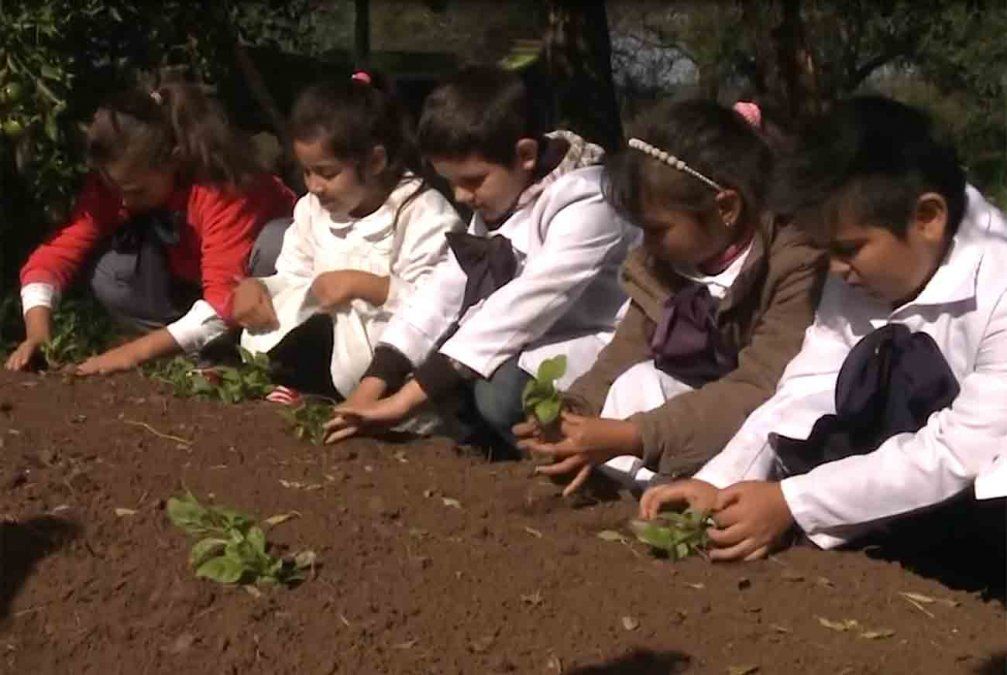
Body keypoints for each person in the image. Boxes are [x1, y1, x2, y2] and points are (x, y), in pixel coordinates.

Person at [641, 96, 1007, 560]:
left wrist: (792, 501)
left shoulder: (1001, 286)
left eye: (850, 249)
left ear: (928, 218)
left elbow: (959, 450)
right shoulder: (862, 267)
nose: (834, 269)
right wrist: (722, 481)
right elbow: (810, 383)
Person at [515, 100, 826, 495]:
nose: (648, 242)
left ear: (726, 207)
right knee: (635, 379)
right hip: (692, 417)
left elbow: (757, 388)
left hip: (769, 432)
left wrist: (633, 436)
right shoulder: (663, 262)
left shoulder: (793, 262)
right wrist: (573, 411)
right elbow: (624, 351)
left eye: (658, 229)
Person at [322, 65, 636, 450]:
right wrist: (374, 383)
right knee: (460, 363)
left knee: (500, 392)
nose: (460, 196)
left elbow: (524, 307)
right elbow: (445, 289)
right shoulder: (507, 191)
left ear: (525, 154)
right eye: (450, 182)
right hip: (536, 336)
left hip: (604, 344)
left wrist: (403, 402)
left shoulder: (589, 200)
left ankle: (563, 460)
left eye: (471, 181)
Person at [6, 83, 295, 374]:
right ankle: (193, 347)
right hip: (196, 283)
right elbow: (55, 254)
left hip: (263, 285)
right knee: (112, 272)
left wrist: (127, 355)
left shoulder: (224, 187)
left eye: (136, 192)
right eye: (116, 190)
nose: (124, 202)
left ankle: (268, 353)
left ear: (175, 160)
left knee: (275, 243)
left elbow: (224, 301)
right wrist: (38, 335)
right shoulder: (122, 177)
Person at [233, 74, 464, 403]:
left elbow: (443, 307)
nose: (314, 185)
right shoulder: (312, 208)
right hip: (320, 335)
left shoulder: (422, 215)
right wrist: (259, 288)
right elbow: (292, 276)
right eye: (307, 172)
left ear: (375, 162)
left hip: (387, 365)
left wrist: (370, 286)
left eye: (327, 173)